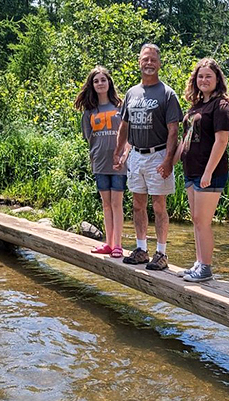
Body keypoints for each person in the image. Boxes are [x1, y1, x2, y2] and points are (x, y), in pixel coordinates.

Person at [113, 44, 182, 270]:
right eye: (145, 59)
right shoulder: (132, 93)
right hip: (136, 156)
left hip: (158, 155)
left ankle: (161, 253)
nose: (149, 63)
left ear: (159, 63)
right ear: (139, 62)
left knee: (159, 205)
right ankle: (141, 249)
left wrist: (168, 160)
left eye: (153, 59)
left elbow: (174, 131)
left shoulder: (167, 94)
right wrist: (119, 150)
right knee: (137, 204)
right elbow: (124, 126)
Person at [174, 58, 229, 282]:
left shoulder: (221, 106)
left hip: (210, 172)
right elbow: (185, 138)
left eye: (209, 76)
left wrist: (208, 172)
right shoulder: (197, 106)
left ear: (217, 79)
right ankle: (199, 263)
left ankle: (206, 268)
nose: (204, 80)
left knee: (203, 221)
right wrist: (171, 162)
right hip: (192, 170)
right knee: (196, 219)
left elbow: (221, 142)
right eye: (200, 76)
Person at [75, 65, 129, 258]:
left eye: (103, 80)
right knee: (106, 204)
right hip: (99, 162)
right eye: (96, 81)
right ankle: (108, 243)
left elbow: (128, 135)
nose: (100, 83)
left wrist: (124, 155)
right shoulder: (89, 111)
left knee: (117, 203)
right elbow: (88, 137)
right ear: (92, 85)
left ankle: (118, 245)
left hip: (118, 163)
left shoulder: (120, 106)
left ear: (109, 82)